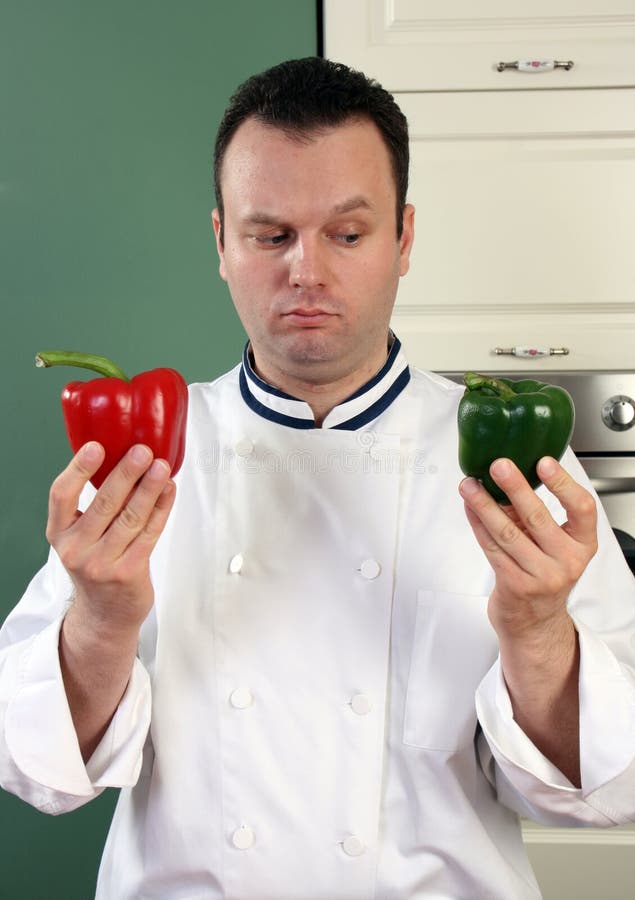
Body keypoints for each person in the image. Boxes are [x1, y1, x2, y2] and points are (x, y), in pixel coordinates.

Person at [1, 56, 634, 900]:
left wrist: (539, 630)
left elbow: (609, 790)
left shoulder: (516, 469)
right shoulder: (137, 457)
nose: (306, 271)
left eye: (346, 233)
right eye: (270, 235)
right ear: (221, 243)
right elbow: (34, 767)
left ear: (403, 239)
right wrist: (102, 621)